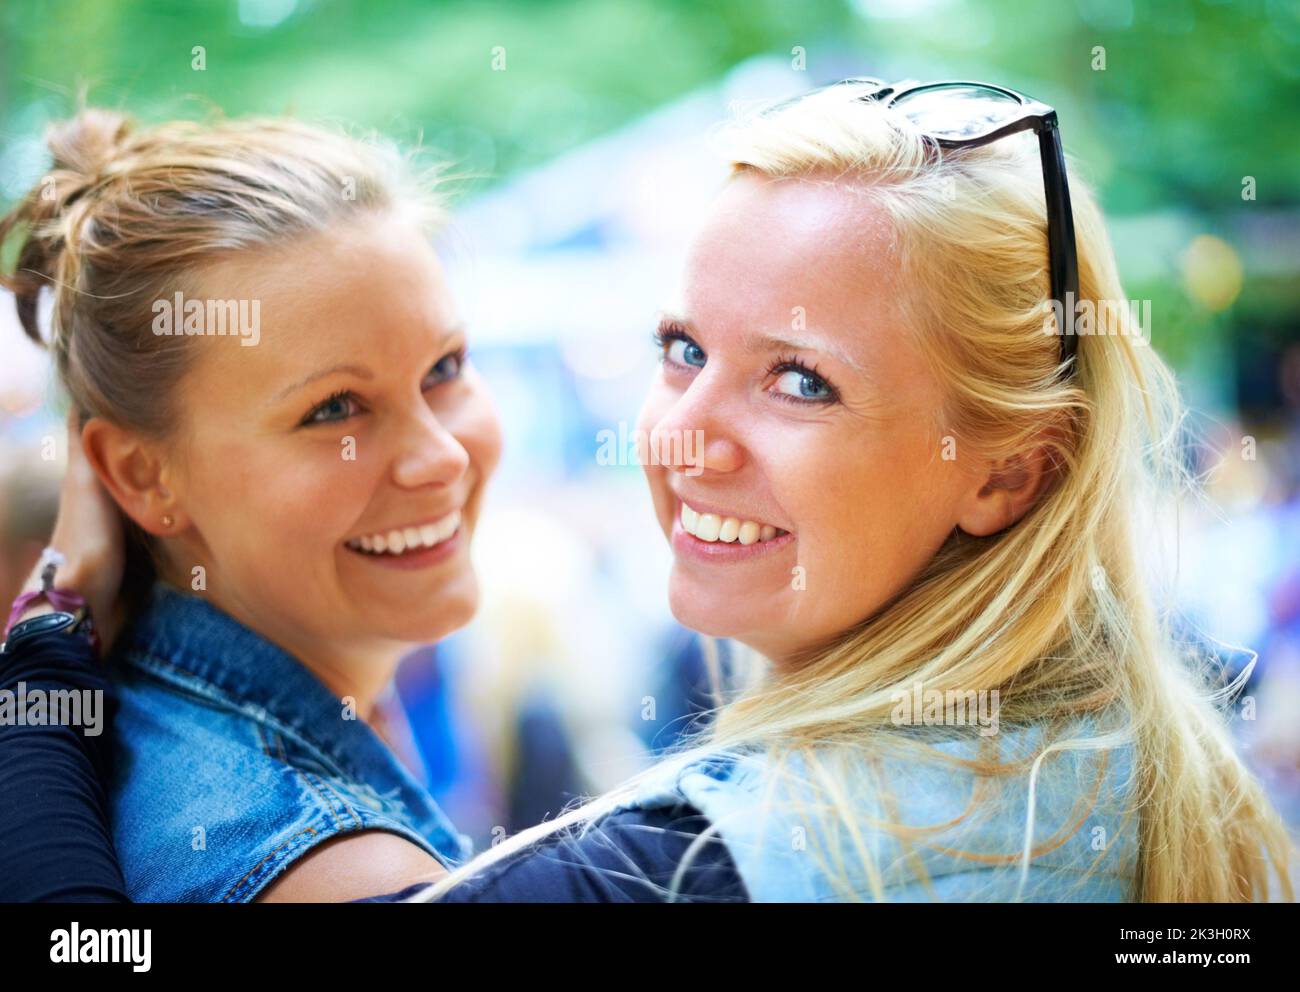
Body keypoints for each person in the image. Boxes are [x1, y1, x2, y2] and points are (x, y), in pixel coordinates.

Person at [2, 78, 1294, 902]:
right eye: (683, 351)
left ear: (1012, 471)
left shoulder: (665, 871)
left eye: (798, 381)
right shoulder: (1134, 772)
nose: (681, 438)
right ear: (135, 475)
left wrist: (46, 653)